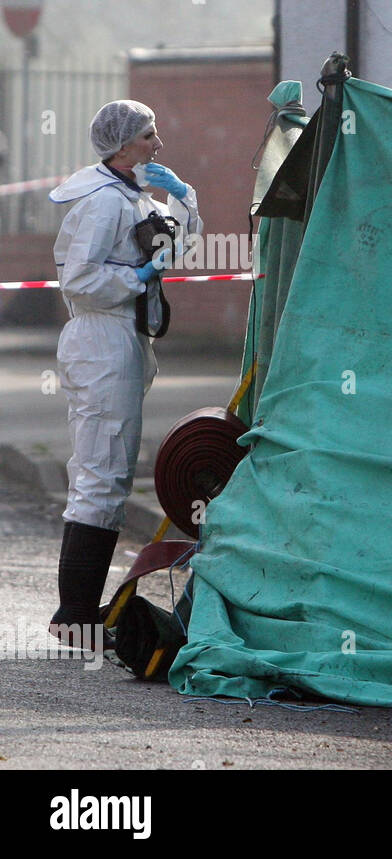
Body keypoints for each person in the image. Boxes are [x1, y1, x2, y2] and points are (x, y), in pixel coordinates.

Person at [46, 100, 201, 644]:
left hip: (122, 338)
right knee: (101, 471)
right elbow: (81, 281)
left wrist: (184, 199)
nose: (158, 144)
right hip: (101, 337)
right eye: (149, 135)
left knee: (109, 472)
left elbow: (176, 246)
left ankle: (80, 613)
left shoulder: (130, 197)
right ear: (122, 145)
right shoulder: (100, 204)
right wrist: (136, 276)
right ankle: (75, 616)